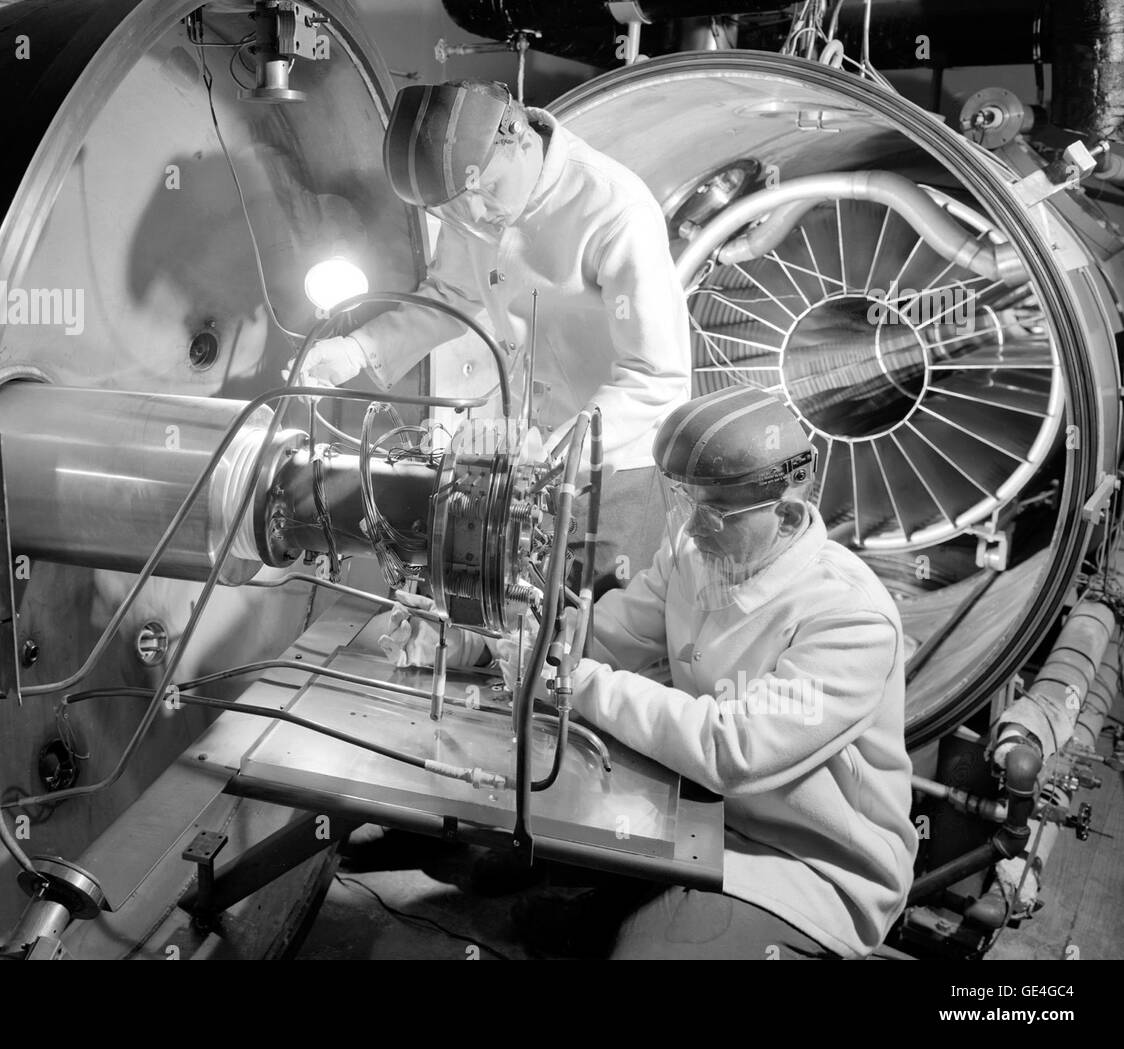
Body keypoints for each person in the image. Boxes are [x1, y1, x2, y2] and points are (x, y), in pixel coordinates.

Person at [388, 383, 918, 958]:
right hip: (697, 816)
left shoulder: (851, 618)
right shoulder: (697, 557)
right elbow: (600, 640)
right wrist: (479, 639)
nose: (691, 529)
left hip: (802, 863)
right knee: (515, 869)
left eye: (712, 514)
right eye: (685, 504)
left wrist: (576, 682)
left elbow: (732, 750)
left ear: (786, 515)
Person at [295, 78, 692, 586]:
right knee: (514, 620)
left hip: (616, 467)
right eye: (455, 208)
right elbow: (453, 296)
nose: (476, 216)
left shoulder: (615, 211)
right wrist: (356, 350)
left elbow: (655, 377)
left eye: (483, 191)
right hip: (529, 456)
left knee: (593, 632)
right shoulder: (472, 205)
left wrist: (550, 452)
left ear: (520, 137)